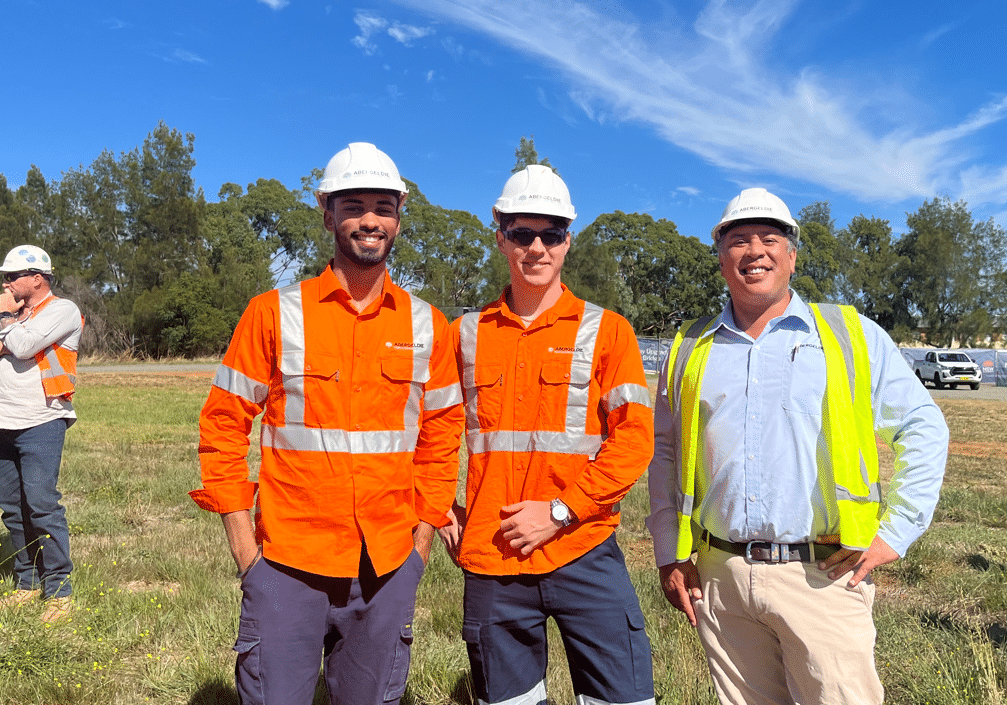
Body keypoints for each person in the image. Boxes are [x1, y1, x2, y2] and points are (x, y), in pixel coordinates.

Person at [647, 188, 949, 705]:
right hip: (721, 575)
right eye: (739, 240)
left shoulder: (848, 334)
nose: (755, 251)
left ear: (792, 255)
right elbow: (666, 452)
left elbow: (923, 425)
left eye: (769, 238)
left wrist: (897, 531)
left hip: (822, 577)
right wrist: (669, 555)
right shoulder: (690, 346)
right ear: (721, 257)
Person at [191, 142, 464, 705]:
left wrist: (419, 551)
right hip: (287, 564)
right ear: (327, 214)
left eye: (383, 206)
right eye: (353, 204)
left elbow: (441, 439)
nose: (369, 219)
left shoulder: (427, 324)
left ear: (398, 217)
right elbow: (222, 427)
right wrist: (249, 559)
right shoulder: (273, 313)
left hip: (388, 564)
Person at [438, 165, 656, 705]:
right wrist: (440, 507)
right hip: (494, 555)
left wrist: (559, 512)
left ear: (567, 241)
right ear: (500, 236)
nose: (537, 247)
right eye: (522, 233)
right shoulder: (463, 335)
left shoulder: (608, 331)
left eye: (551, 234)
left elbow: (633, 441)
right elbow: (431, 431)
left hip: (584, 547)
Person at [0, 245, 83, 624]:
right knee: (13, 511)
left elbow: (25, 344)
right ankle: (27, 585)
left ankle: (59, 591)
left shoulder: (61, 311)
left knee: (42, 505)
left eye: (13, 276)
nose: (6, 282)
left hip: (40, 422)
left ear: (37, 278)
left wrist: (4, 325)